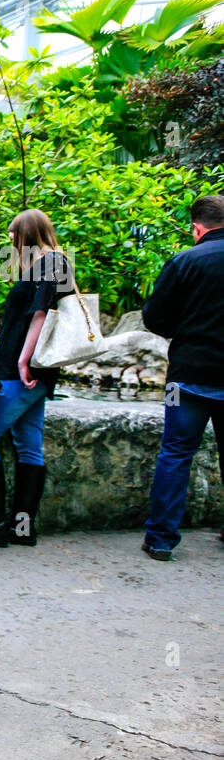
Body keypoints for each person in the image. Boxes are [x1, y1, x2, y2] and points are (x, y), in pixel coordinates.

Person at [0, 209, 70, 548]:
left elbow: (41, 315)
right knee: (29, 446)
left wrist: (24, 361)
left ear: (27, 234)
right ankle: (22, 529)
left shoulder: (51, 263)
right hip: (38, 374)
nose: (12, 245)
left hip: (20, 370)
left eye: (14, 239)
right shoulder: (56, 264)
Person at [141, 194, 224, 561]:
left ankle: (160, 539)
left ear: (197, 228)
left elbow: (155, 319)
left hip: (185, 378)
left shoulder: (184, 261)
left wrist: (186, 328)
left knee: (175, 452)